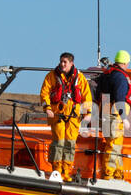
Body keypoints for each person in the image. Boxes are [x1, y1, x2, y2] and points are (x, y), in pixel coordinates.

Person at [39, 52, 92, 182]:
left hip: (73, 117)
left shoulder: (80, 78)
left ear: (71, 63)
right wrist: (48, 108)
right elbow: (44, 93)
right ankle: (56, 170)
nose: (62, 64)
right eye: (61, 61)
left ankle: (66, 171)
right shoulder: (52, 76)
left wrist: (88, 113)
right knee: (59, 142)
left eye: (65, 62)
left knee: (70, 144)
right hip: (57, 115)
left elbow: (87, 96)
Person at [93, 50, 131, 180]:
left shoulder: (106, 75)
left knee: (113, 145)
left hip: (105, 112)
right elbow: (119, 99)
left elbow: (98, 92)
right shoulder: (120, 77)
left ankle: (118, 175)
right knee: (114, 145)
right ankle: (109, 175)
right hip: (115, 116)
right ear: (125, 62)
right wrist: (125, 119)